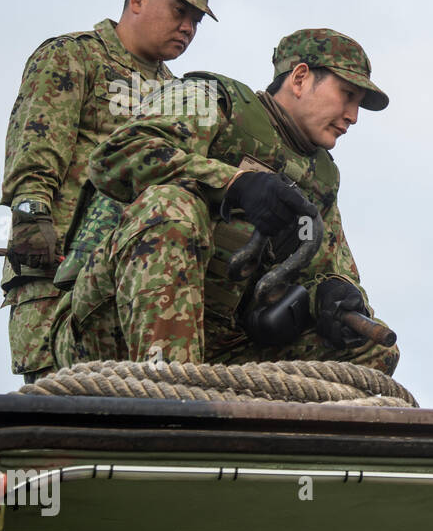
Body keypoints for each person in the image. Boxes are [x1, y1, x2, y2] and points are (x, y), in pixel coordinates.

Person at [51, 28, 399, 376]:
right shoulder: (211, 102)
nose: (353, 116)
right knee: (170, 206)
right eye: (347, 95)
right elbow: (115, 156)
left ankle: (249, 425)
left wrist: (333, 293)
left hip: (221, 347)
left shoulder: (320, 179)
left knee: (368, 346)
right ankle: (171, 402)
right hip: (112, 328)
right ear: (300, 78)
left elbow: (333, 268)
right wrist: (234, 184)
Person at [0, 0, 216, 382]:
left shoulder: (183, 95)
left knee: (149, 405)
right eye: (180, 11)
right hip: (57, 274)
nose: (188, 28)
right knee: (68, 418)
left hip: (144, 279)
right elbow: (38, 145)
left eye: (196, 20)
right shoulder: (74, 57)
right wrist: (30, 211)